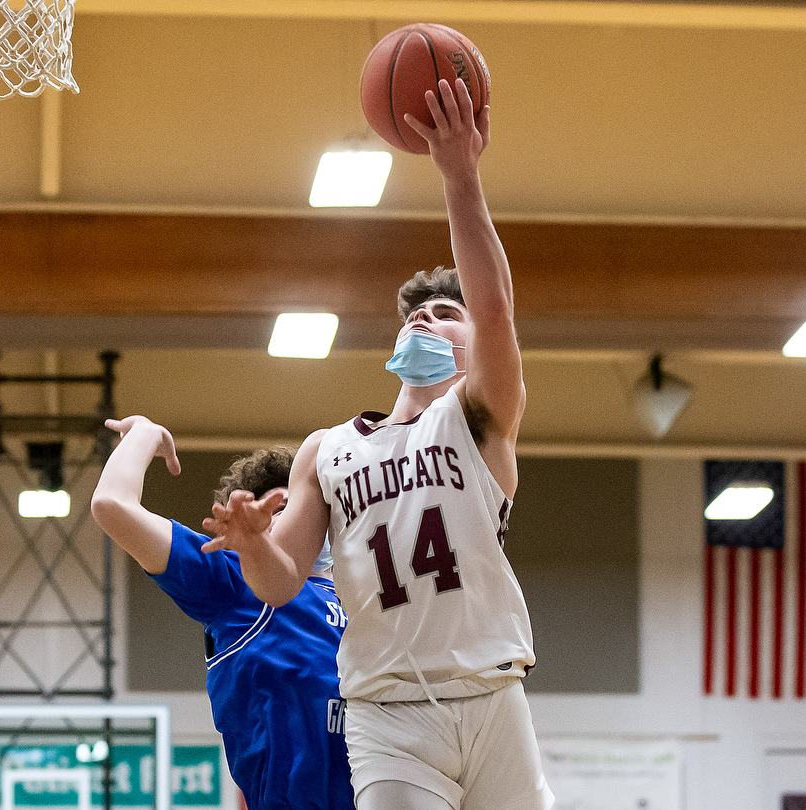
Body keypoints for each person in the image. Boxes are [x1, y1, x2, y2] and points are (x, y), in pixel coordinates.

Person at [203, 78, 555, 810]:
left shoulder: (481, 416)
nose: (427, 319)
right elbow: (280, 582)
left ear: (472, 341)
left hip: (492, 694)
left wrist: (460, 174)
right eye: (415, 313)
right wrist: (252, 545)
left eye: (446, 313)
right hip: (387, 712)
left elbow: (496, 308)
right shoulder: (327, 449)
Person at [90, 415, 354, 810]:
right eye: (279, 508)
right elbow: (111, 506)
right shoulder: (236, 584)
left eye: (311, 507)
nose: (302, 518)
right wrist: (144, 435)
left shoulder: (366, 598)